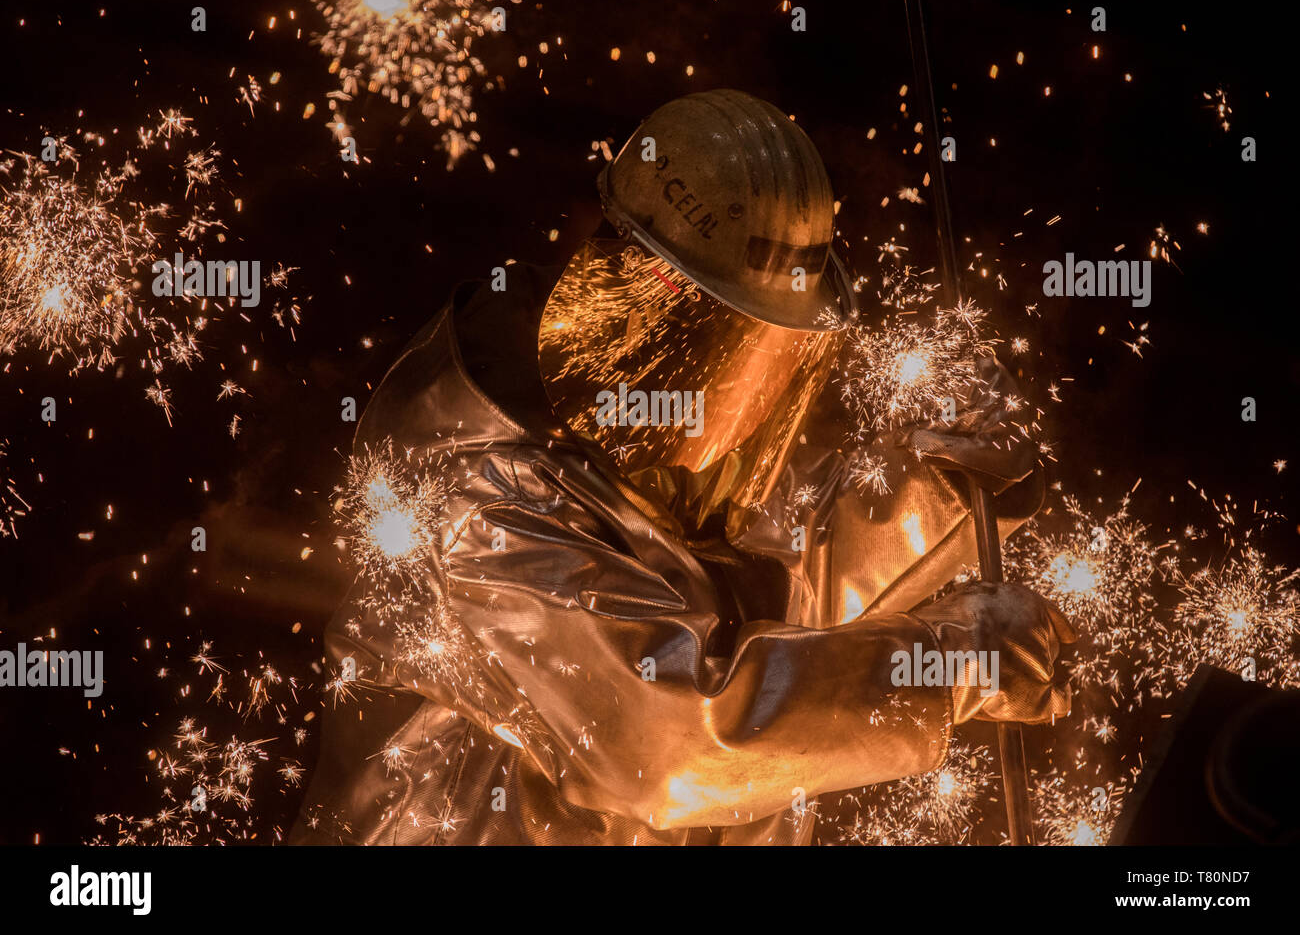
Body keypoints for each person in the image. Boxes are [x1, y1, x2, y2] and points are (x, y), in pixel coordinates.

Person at [291, 89, 1074, 845]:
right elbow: (671, 741)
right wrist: (946, 664)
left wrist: (940, 494)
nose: (740, 390)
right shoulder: (481, 501)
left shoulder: (681, 470)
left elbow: (781, 635)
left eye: (768, 355)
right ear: (633, 300)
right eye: (720, 345)